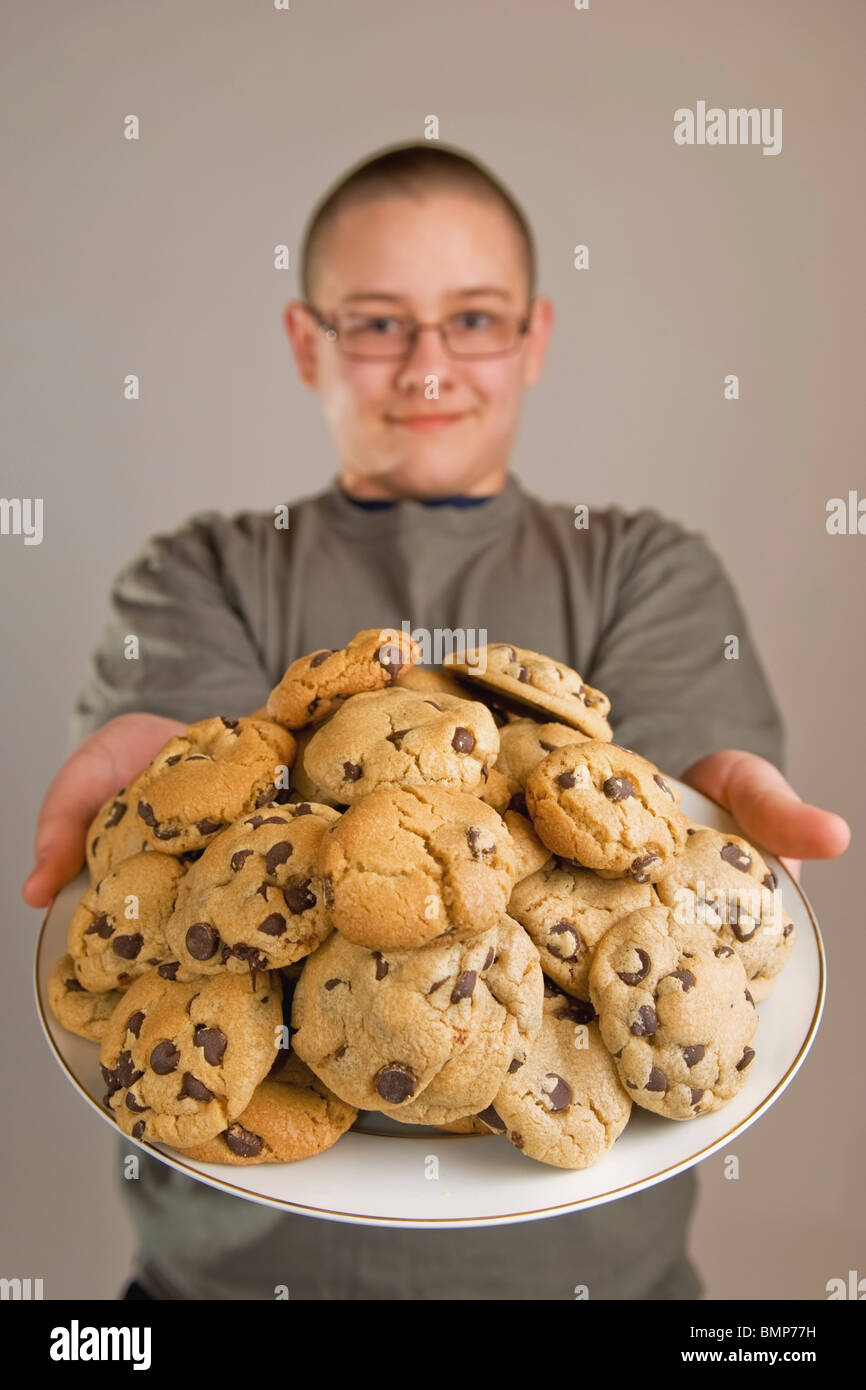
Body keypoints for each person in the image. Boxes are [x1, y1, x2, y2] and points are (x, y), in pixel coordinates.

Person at [23, 142, 849, 1301]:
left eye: (472, 318)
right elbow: (189, 798)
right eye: (374, 322)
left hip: (595, 1284)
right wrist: (143, 779)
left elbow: (661, 826)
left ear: (535, 336)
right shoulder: (199, 568)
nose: (425, 367)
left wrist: (719, 809)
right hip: (218, 1283)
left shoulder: (641, 569)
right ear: (305, 339)